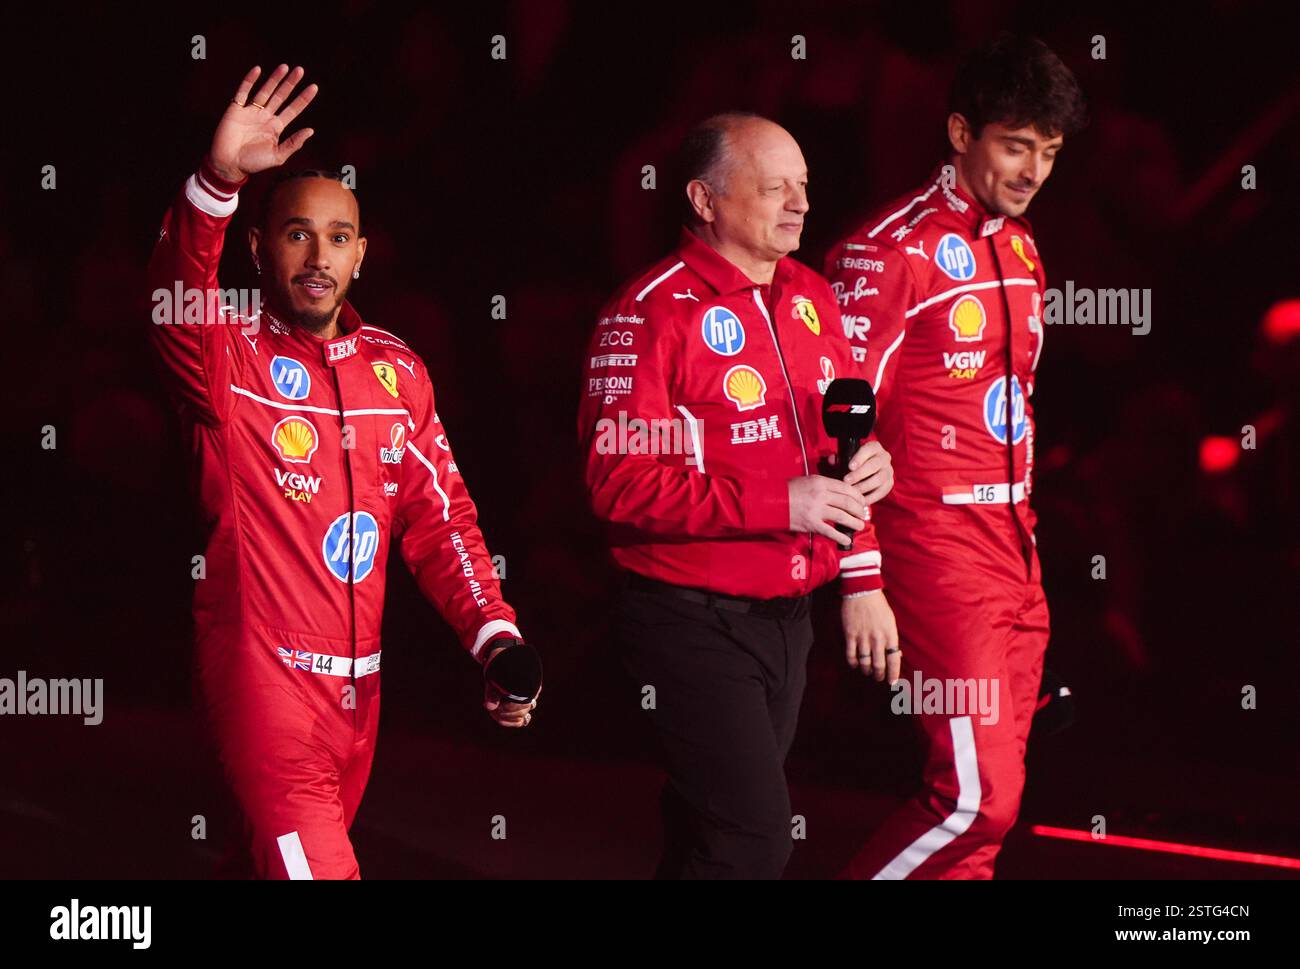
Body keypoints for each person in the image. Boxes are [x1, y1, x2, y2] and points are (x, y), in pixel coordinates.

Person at [148, 64, 540, 879]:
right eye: (296, 233)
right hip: (260, 683)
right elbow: (172, 294)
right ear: (259, 248)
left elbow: (442, 523)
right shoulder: (225, 353)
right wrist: (216, 184)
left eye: (336, 237)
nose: (317, 255)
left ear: (360, 254)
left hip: (359, 702)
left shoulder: (398, 371)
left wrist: (494, 636)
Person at [579, 113, 899, 879]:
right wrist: (779, 502)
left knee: (706, 838)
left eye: (805, 188)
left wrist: (863, 577)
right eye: (774, 188)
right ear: (705, 198)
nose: (799, 205)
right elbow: (614, 482)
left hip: (791, 620)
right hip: (687, 618)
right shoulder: (648, 312)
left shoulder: (813, 295)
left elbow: (845, 449)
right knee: (754, 840)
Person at [824, 34, 1086, 879]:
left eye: (1047, 152)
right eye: (1015, 146)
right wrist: (861, 578)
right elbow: (833, 419)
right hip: (934, 548)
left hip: (1017, 548)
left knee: (987, 821)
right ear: (959, 130)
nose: (1032, 170)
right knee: (977, 798)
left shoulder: (1019, 244)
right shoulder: (889, 251)